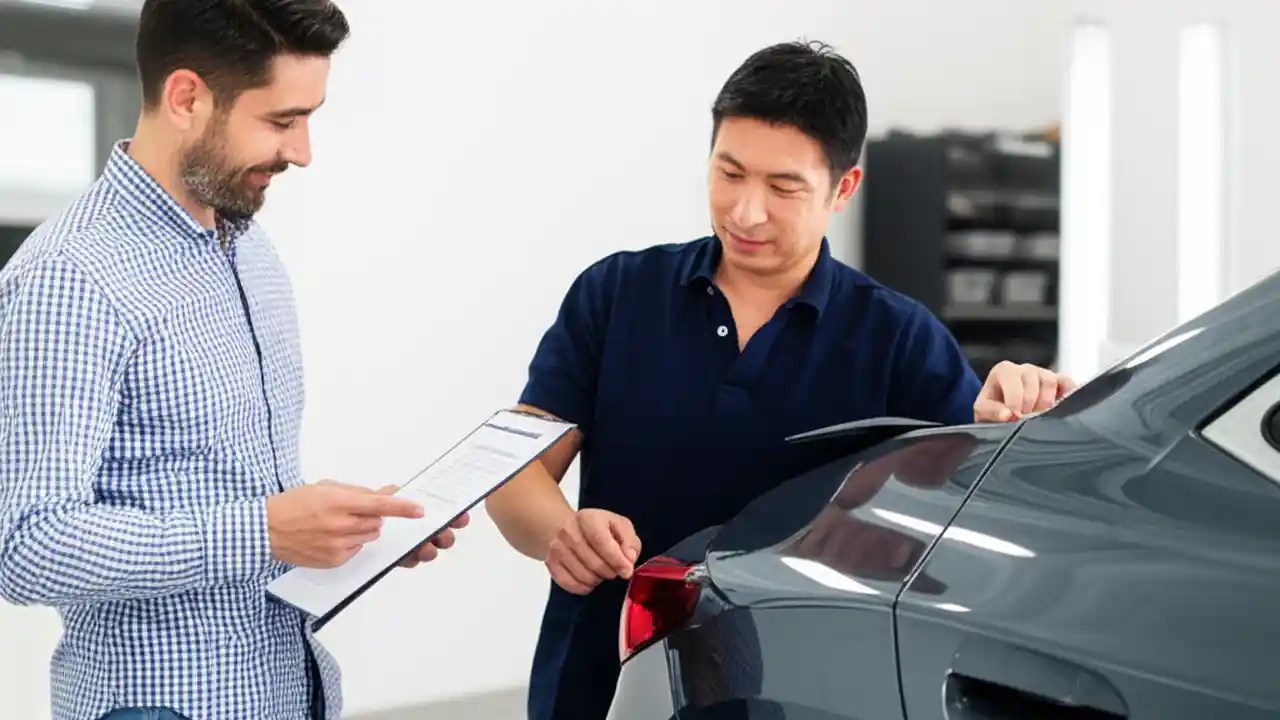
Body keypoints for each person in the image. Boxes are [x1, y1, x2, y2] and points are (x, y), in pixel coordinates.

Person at [485, 39, 1076, 720]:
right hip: (603, 676)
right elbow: (512, 473)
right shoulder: (617, 293)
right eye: (729, 173)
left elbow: (975, 495)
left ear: (842, 189)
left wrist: (1014, 410)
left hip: (798, 687)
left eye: (783, 187)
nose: (745, 211)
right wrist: (561, 532)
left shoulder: (897, 338)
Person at [0, 2, 464, 719]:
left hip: (286, 691)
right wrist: (266, 530)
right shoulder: (70, 279)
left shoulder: (249, 251)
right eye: (281, 121)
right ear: (187, 97)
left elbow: (225, 485)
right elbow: (26, 544)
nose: (304, 151)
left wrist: (357, 534)